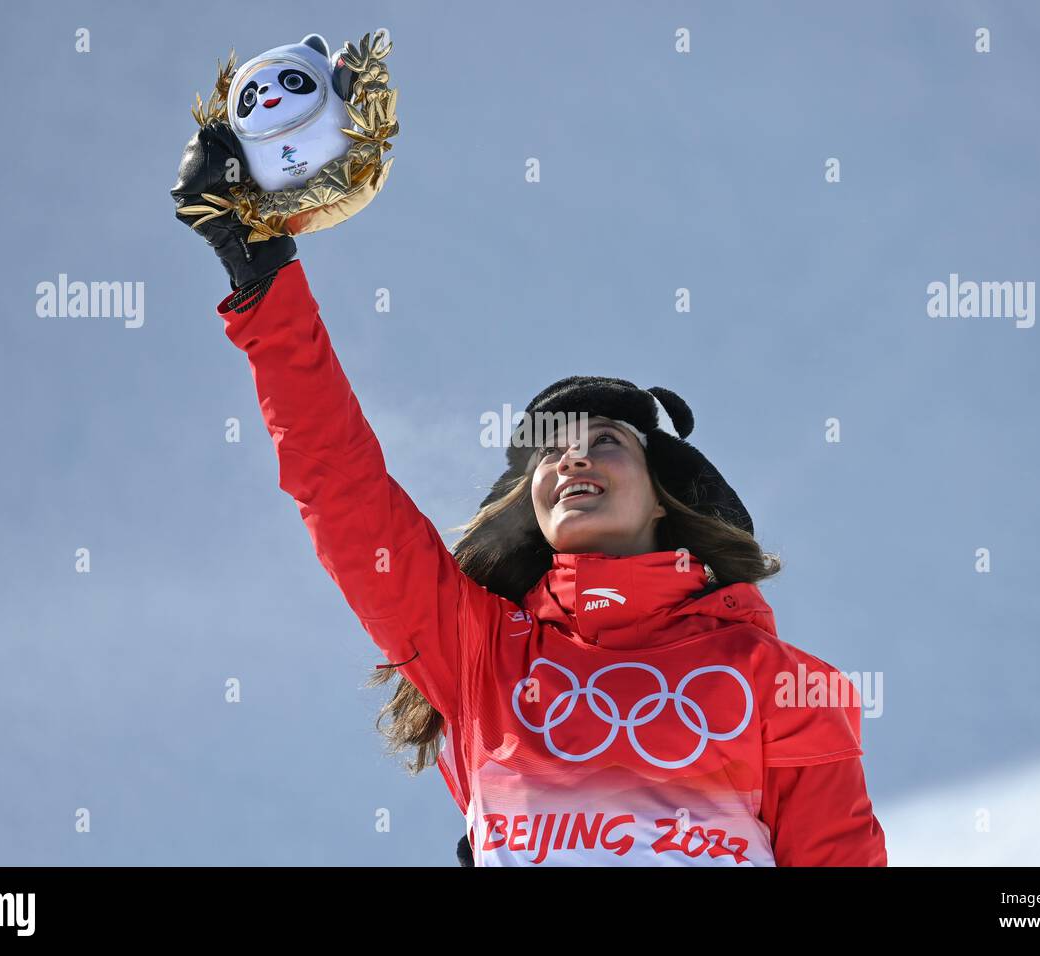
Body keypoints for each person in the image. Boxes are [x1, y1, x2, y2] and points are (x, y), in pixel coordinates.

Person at [171, 122, 888, 867]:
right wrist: (263, 281)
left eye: (605, 440)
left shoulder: (780, 680)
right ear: (535, 508)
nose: (570, 457)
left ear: (665, 499)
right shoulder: (480, 653)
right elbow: (337, 483)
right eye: (550, 453)